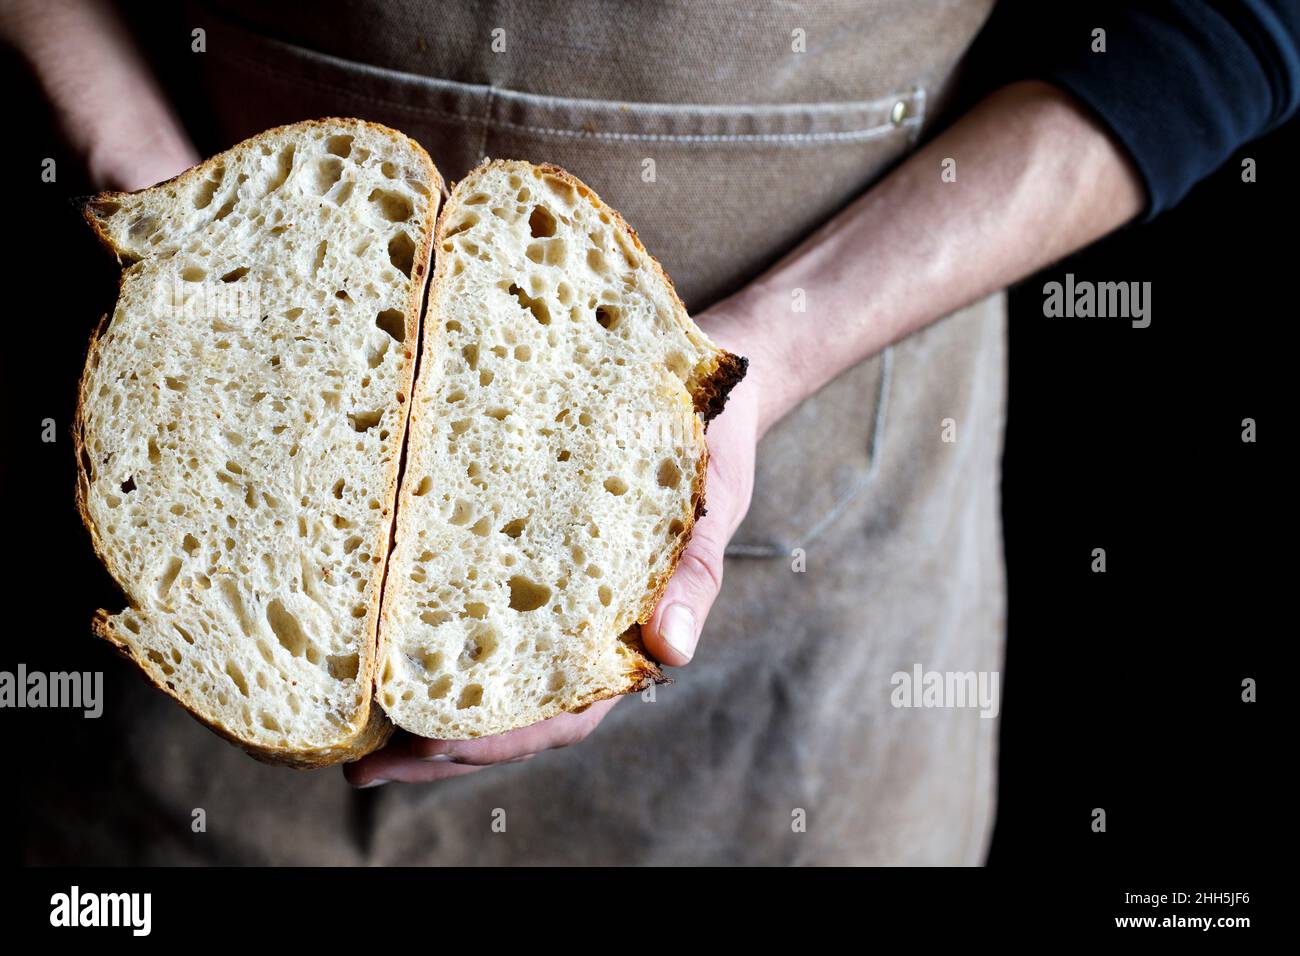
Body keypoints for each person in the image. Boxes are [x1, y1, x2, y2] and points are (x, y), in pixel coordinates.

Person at [7, 0, 1297, 864]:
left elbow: (1235, 22)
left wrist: (761, 356)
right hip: (204, 581)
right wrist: (153, 180)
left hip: (791, 640)